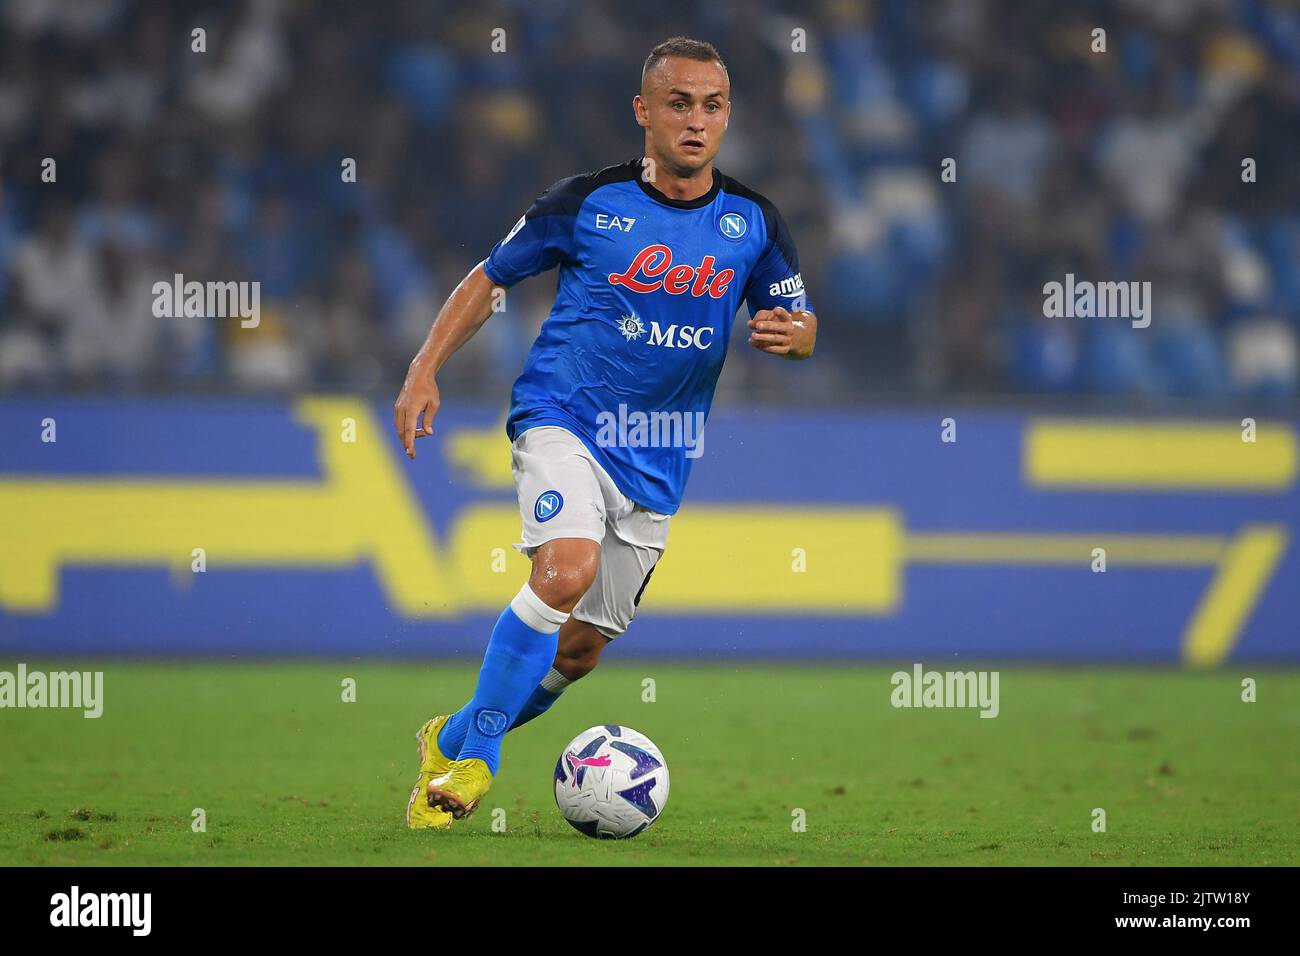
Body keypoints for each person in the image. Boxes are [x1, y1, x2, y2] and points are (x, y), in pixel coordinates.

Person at [392, 36, 817, 829]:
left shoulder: (754, 222)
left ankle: (447, 735)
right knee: (565, 569)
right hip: (565, 418)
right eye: (680, 103)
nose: (697, 120)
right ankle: (476, 760)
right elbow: (491, 277)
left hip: (657, 458)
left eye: (713, 105)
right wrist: (425, 366)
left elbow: (799, 321)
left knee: (578, 653)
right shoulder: (585, 201)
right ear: (644, 112)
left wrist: (798, 337)